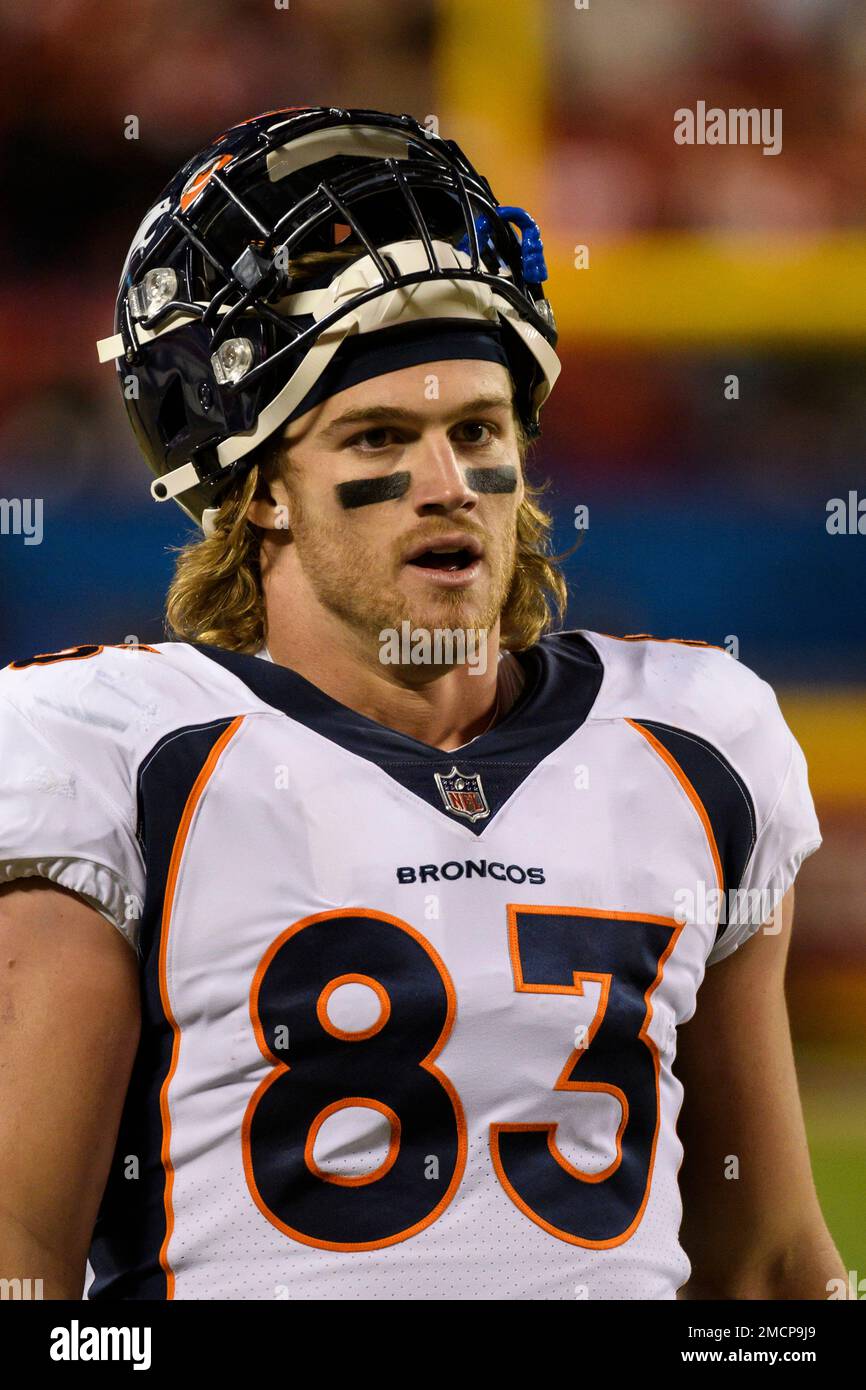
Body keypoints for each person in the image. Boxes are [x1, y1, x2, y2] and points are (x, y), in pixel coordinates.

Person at [0, 107, 843, 1300]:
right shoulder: (120, 754)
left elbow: (759, 1268)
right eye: (380, 433)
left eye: (477, 429)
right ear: (260, 495)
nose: (445, 483)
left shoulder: (697, 739)